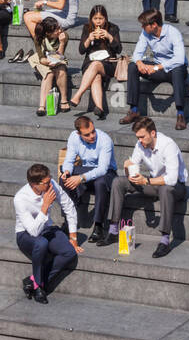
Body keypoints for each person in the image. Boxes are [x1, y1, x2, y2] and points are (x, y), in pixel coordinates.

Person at [100, 117, 188, 256]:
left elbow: (171, 179)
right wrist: (128, 168)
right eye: (138, 137)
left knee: (165, 188)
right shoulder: (140, 144)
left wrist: (146, 181)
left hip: (176, 186)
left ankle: (165, 240)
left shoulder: (168, 145)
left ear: (152, 133)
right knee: (118, 181)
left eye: (142, 136)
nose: (140, 140)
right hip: (153, 183)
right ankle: (113, 230)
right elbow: (134, 164)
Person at [14, 163, 79, 303]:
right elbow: (33, 231)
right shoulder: (20, 199)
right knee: (41, 243)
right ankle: (38, 287)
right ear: (34, 184)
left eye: (50, 179)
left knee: (69, 252)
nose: (50, 184)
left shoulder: (51, 184)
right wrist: (44, 206)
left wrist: (73, 236)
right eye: (46, 182)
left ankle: (33, 281)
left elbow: (68, 205)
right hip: (26, 235)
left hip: (47, 229)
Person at [120, 9, 189, 132]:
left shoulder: (173, 32)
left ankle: (180, 113)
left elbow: (179, 59)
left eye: (144, 25)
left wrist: (156, 67)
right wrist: (139, 62)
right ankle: (134, 110)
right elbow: (137, 54)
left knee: (178, 70)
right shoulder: (145, 33)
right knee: (132, 66)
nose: (142, 27)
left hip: (175, 69)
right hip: (158, 68)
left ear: (154, 25)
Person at [61, 113, 118, 242]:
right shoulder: (73, 137)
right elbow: (69, 160)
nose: (92, 136)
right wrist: (67, 172)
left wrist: (80, 178)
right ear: (78, 134)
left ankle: (99, 226)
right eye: (87, 135)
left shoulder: (105, 140)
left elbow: (103, 169)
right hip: (87, 172)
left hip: (107, 173)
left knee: (100, 182)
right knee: (65, 176)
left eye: (93, 132)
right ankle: (69, 220)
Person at [70, 6, 121, 116]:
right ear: (91, 19)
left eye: (101, 18)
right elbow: (81, 51)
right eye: (95, 18)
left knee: (96, 64)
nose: (98, 22)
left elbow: (119, 49)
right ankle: (99, 108)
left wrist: (109, 37)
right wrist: (89, 39)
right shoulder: (87, 28)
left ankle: (78, 95)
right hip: (90, 62)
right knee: (96, 76)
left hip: (108, 63)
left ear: (105, 18)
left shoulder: (113, 28)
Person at [30, 16, 70, 115]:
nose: (59, 31)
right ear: (48, 33)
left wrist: (61, 43)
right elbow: (41, 57)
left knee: (61, 70)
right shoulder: (39, 37)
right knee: (49, 74)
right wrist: (46, 62)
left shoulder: (64, 36)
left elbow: (60, 56)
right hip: (43, 59)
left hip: (58, 58)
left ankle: (64, 100)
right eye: (56, 30)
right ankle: (42, 106)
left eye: (59, 28)